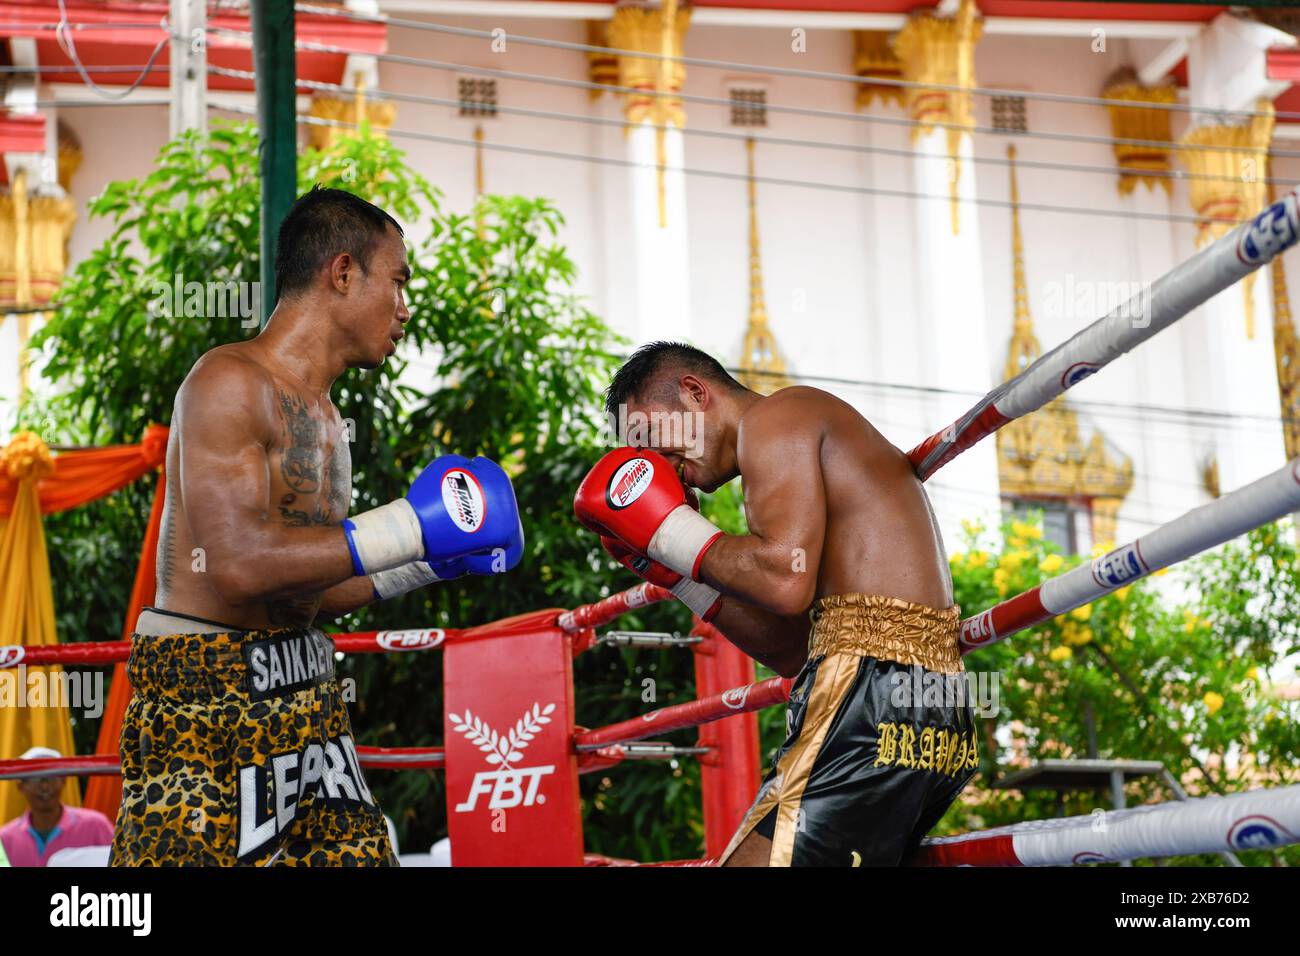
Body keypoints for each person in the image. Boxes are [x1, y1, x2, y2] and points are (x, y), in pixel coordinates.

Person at [110, 186, 524, 867]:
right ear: (341, 273)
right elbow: (240, 565)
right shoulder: (228, 380)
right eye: (397, 282)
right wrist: (413, 529)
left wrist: (428, 561)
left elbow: (309, 586)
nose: (404, 308)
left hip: (301, 678)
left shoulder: (330, 421)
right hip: (206, 683)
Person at [574, 342, 977, 866]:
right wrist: (677, 575)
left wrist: (670, 531)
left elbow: (782, 582)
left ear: (696, 394)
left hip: (869, 695)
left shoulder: (777, 415)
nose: (659, 466)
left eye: (653, 441)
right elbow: (793, 651)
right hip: (926, 704)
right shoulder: (791, 464)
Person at [1, 747, 114, 867]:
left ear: (64, 781)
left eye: (52, 777)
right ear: (20, 785)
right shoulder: (5, 838)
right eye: (35, 778)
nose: (45, 786)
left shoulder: (96, 825)